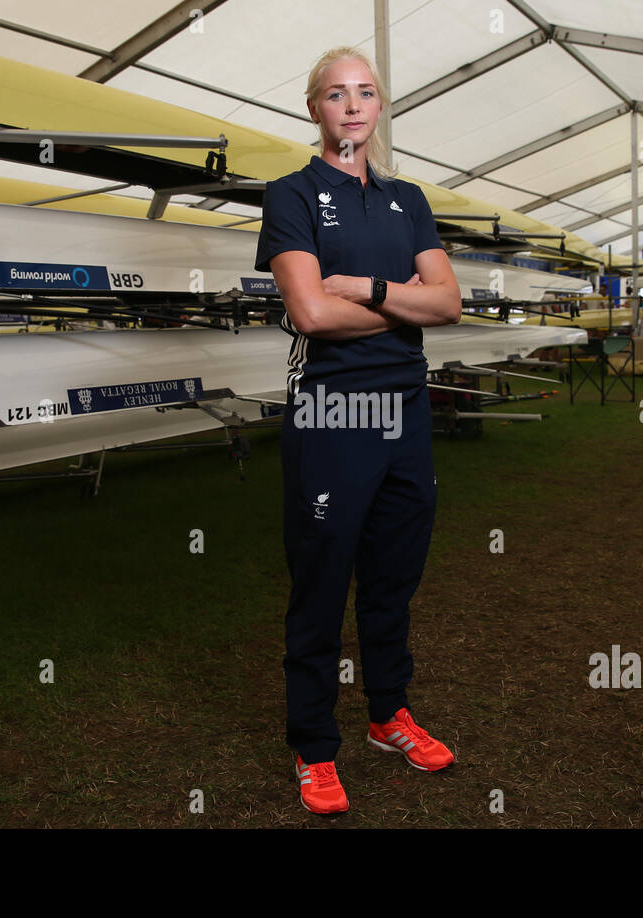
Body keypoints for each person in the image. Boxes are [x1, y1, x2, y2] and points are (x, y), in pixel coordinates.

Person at [253, 46, 460, 815]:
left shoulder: (408, 200)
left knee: (393, 578)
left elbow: (450, 305)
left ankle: (387, 716)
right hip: (333, 413)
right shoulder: (292, 194)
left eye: (365, 93)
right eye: (336, 94)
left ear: (379, 109)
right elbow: (310, 313)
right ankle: (313, 746)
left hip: (406, 409)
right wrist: (406, 297)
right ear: (315, 109)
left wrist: (370, 288)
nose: (351, 106)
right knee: (321, 582)